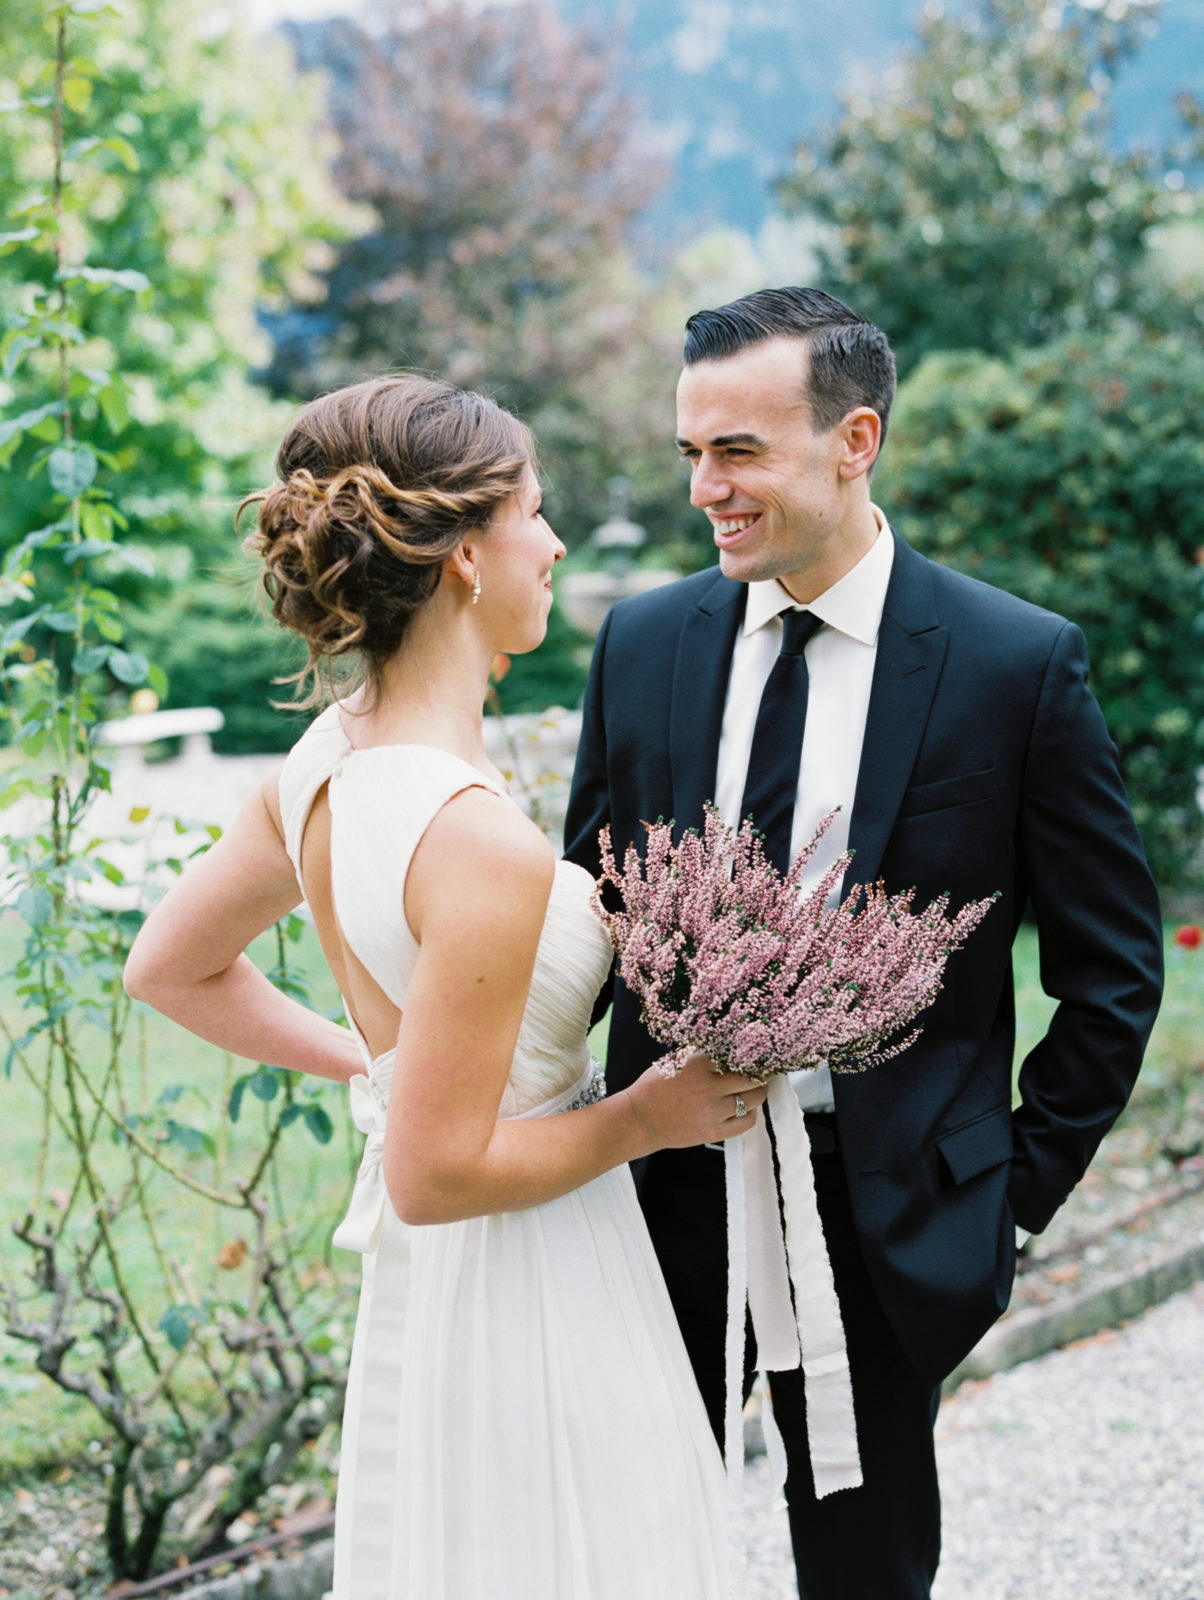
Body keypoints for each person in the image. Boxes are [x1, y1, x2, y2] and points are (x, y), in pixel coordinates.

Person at [123, 374, 768, 1599]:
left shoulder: (322, 761)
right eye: (537, 510)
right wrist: (647, 1115)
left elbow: (170, 966)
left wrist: (381, 1062)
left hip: (443, 1298)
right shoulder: (478, 840)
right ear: (467, 555)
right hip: (532, 1278)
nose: (556, 542)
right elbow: (433, 1176)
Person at [564, 286, 1165, 1599]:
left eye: (739, 452)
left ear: (855, 440)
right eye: (690, 453)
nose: (705, 489)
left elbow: (1114, 972)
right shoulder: (644, 642)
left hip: (885, 1209)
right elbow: (587, 911)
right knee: (626, 1539)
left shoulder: (1015, 665)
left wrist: (1005, 1199)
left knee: (863, 1562)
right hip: (658, 1179)